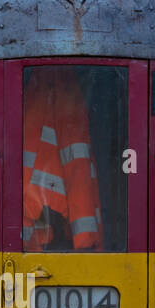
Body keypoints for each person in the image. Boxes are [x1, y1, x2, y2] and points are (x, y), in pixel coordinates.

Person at [21, 68, 103, 252]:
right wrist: (86, 242)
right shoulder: (62, 89)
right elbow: (78, 169)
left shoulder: (38, 90)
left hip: (40, 214)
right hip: (49, 213)